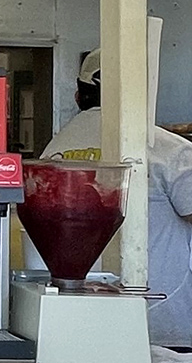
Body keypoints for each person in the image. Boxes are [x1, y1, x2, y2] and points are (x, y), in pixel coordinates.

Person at [42, 49, 192, 347]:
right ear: (142, 90)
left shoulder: (53, 152)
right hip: (163, 326)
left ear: (77, 96)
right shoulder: (169, 150)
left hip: (77, 327)